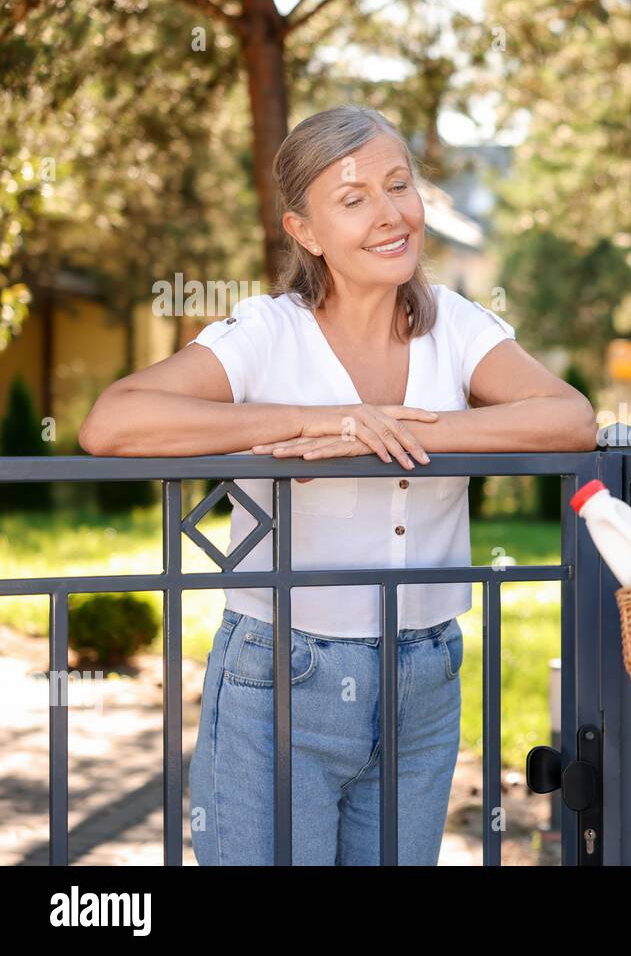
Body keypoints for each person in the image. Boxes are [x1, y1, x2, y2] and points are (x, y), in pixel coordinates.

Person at [78, 106, 597, 864]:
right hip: (281, 677)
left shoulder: (454, 324)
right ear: (305, 231)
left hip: (426, 674)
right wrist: (317, 419)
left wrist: (394, 427)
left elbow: (571, 418)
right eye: (354, 200)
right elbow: (111, 422)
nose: (391, 215)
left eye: (400, 185)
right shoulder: (265, 330)